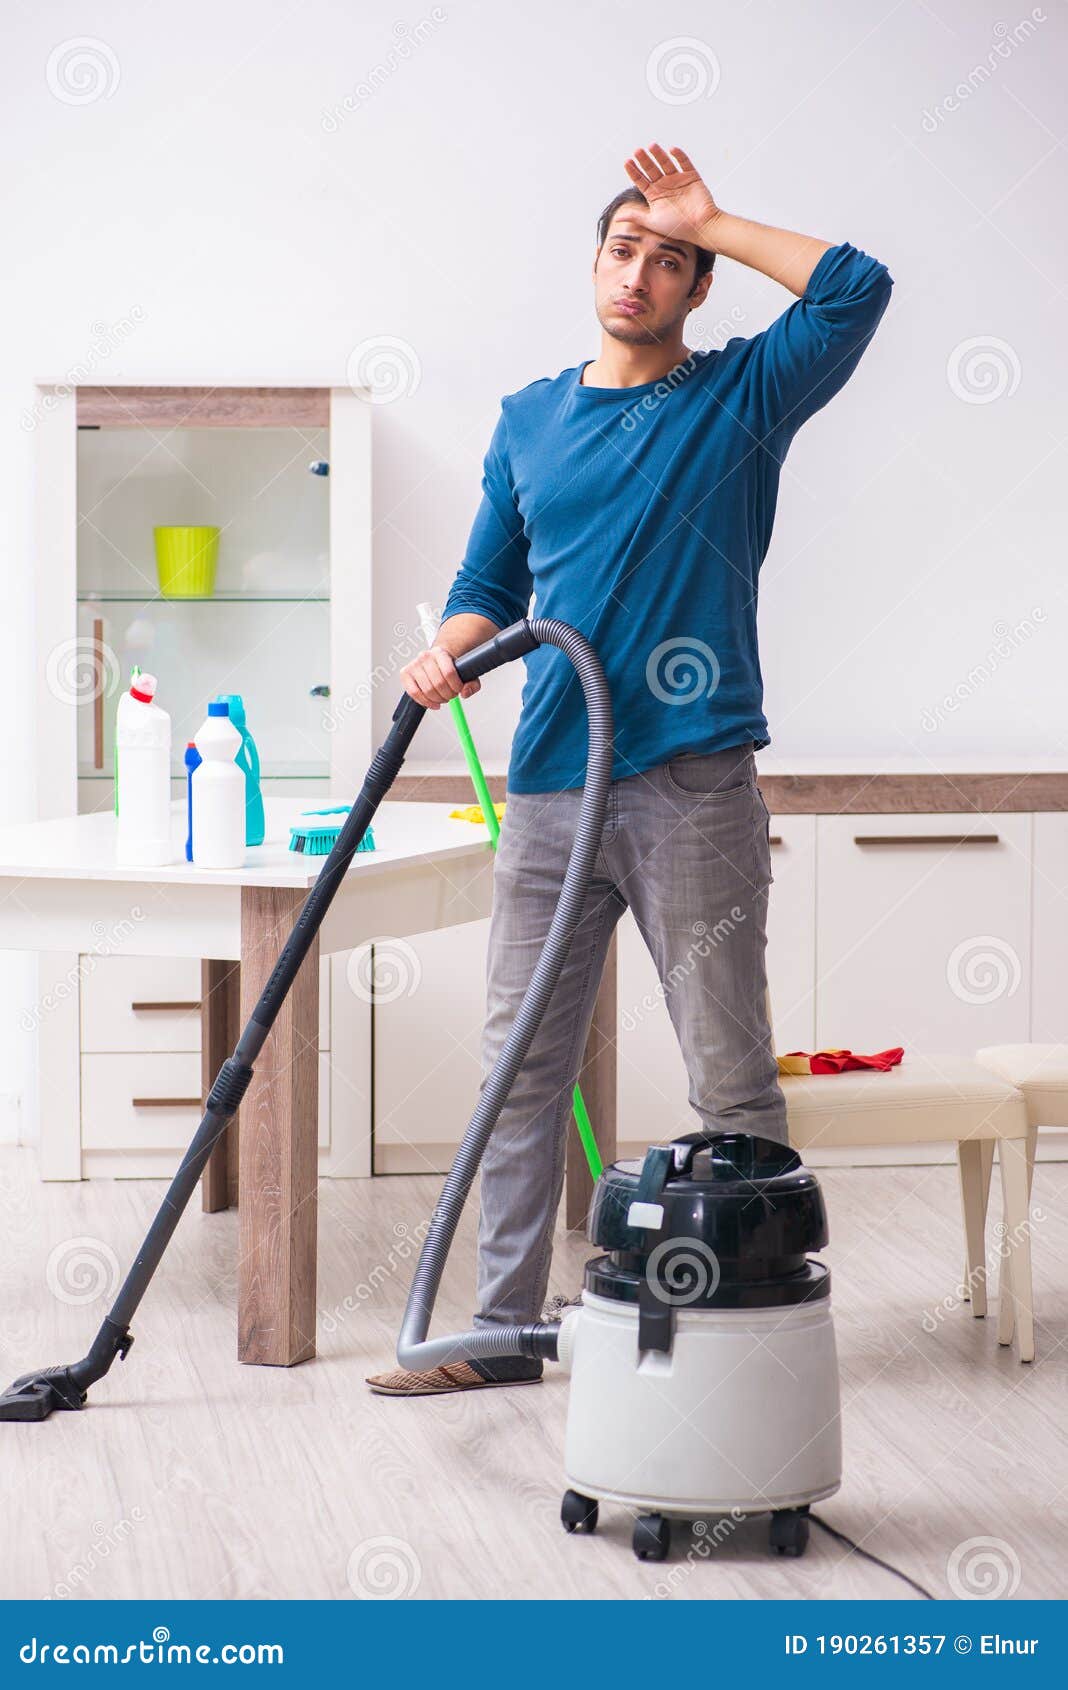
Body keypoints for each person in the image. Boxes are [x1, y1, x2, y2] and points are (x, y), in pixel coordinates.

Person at [367, 142, 892, 1396]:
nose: (642, 275)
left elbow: (856, 287)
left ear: (699, 289)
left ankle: (743, 1348)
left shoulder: (738, 402)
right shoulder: (529, 420)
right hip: (553, 788)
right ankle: (496, 1334)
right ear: (594, 263)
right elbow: (487, 591)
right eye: (625, 249)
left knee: (726, 1071)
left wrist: (713, 215)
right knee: (517, 1069)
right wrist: (446, 656)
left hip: (692, 788)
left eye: (672, 261)